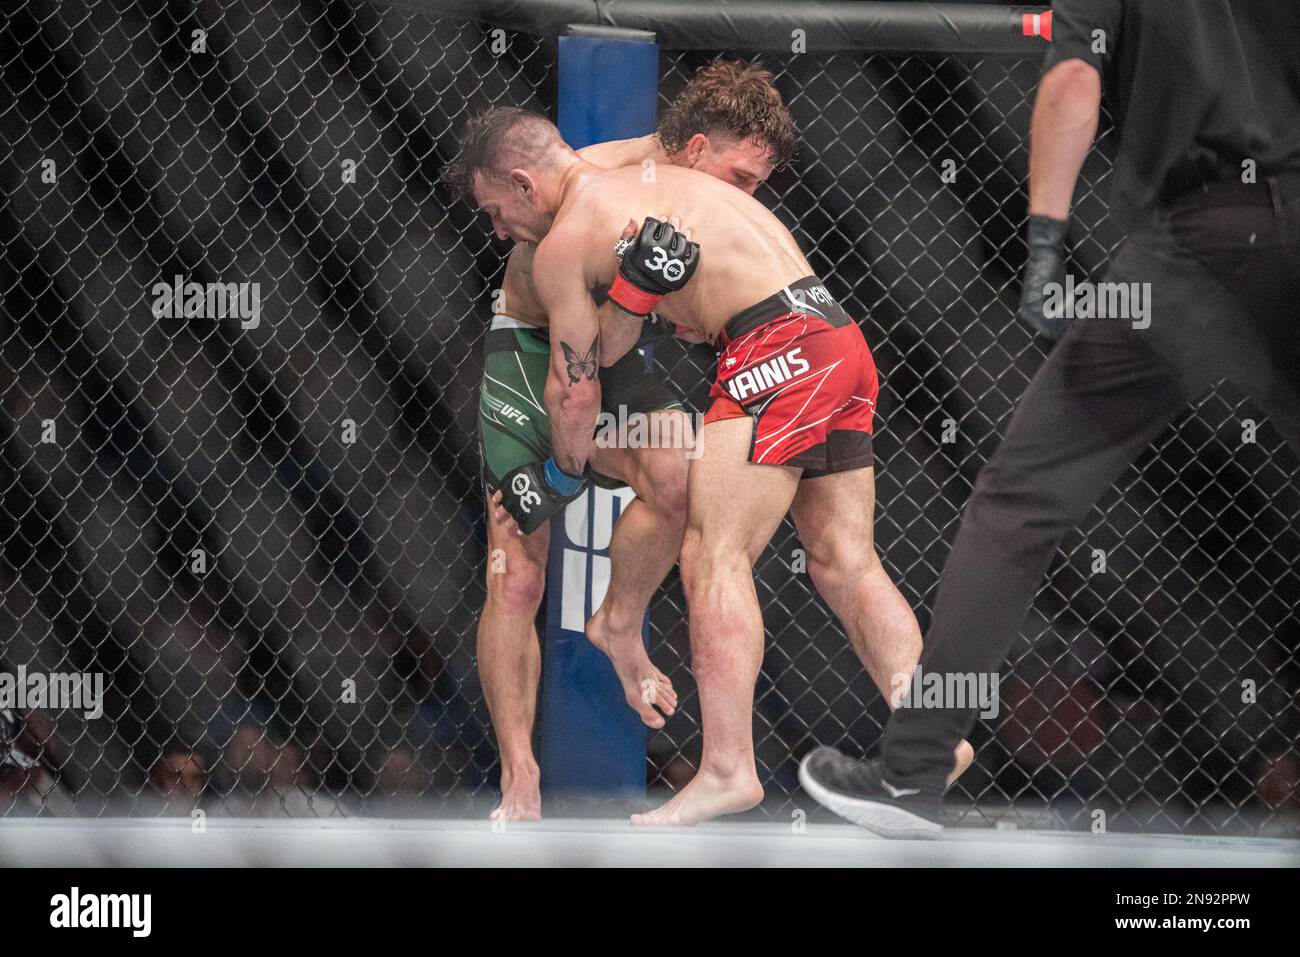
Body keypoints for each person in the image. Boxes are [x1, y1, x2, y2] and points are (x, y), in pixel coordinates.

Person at [800, 0, 1300, 837]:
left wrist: (1043, 245)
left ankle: (912, 769)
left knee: (1021, 493)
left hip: (1205, 234)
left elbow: (1072, 78)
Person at [444, 106, 973, 826]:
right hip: (837, 336)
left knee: (714, 553)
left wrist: (563, 479)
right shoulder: (661, 185)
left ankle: (726, 766)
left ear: (522, 182)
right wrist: (637, 291)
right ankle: (927, 740)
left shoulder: (573, 232)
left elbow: (578, 385)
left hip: (772, 346)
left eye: (497, 211)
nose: (498, 230)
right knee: (846, 558)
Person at [461, 61, 798, 821]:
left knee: (684, 481)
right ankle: (521, 776)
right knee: (515, 568)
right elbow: (569, 375)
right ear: (696, 149)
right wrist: (561, 471)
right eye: (738, 177)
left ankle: (618, 620)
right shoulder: (605, 172)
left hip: (600, 359)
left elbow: (607, 355)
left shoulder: (686, 198)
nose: (742, 200)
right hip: (532, 355)